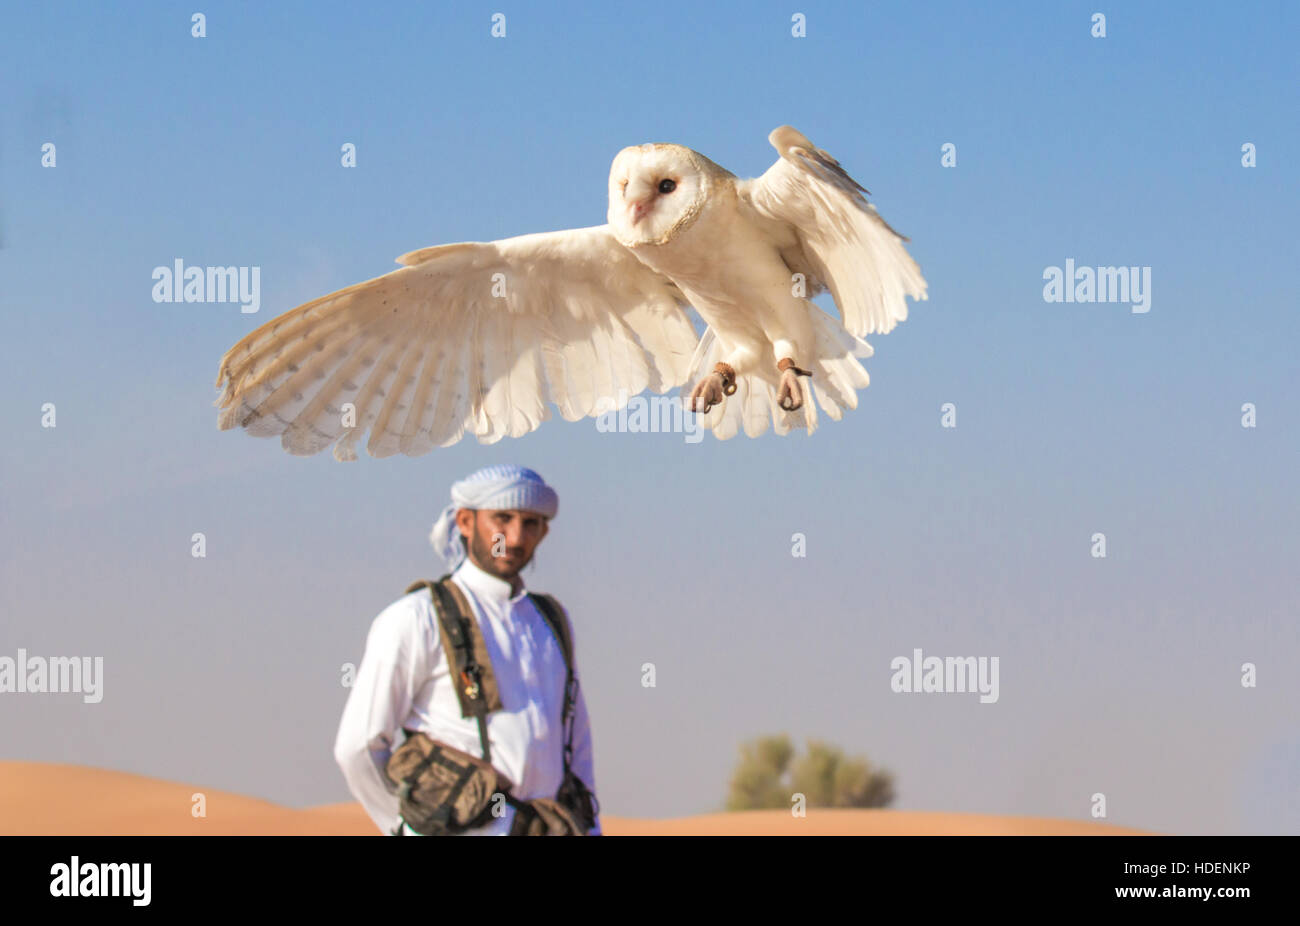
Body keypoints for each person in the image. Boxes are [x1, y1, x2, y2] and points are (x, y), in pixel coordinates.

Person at [333, 464, 601, 835]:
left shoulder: (550, 621)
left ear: (544, 531)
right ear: (465, 521)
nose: (515, 535)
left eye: (530, 523)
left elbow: (576, 744)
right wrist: (403, 825)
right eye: (502, 519)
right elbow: (358, 747)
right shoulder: (416, 617)